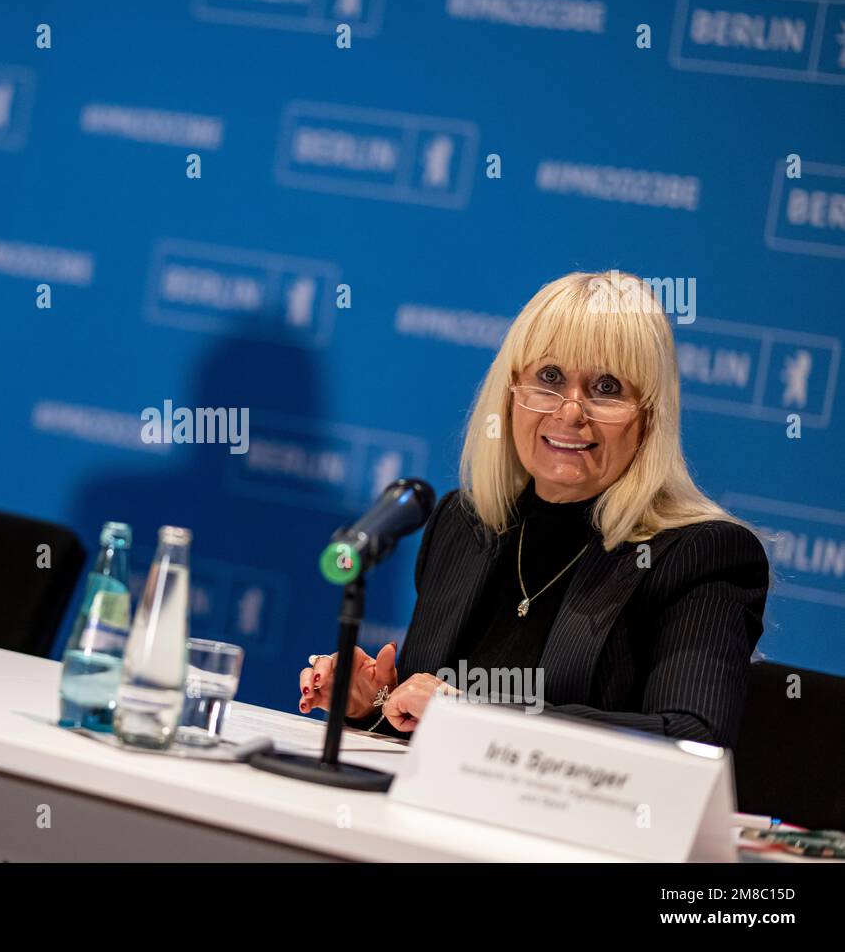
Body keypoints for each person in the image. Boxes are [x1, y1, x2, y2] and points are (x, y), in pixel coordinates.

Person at [299, 270, 770, 748]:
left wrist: (472, 715)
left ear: (649, 416)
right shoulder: (466, 524)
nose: (570, 412)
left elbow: (693, 737)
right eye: (549, 378)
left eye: (607, 387)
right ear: (510, 393)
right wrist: (375, 706)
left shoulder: (701, 556)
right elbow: (433, 731)